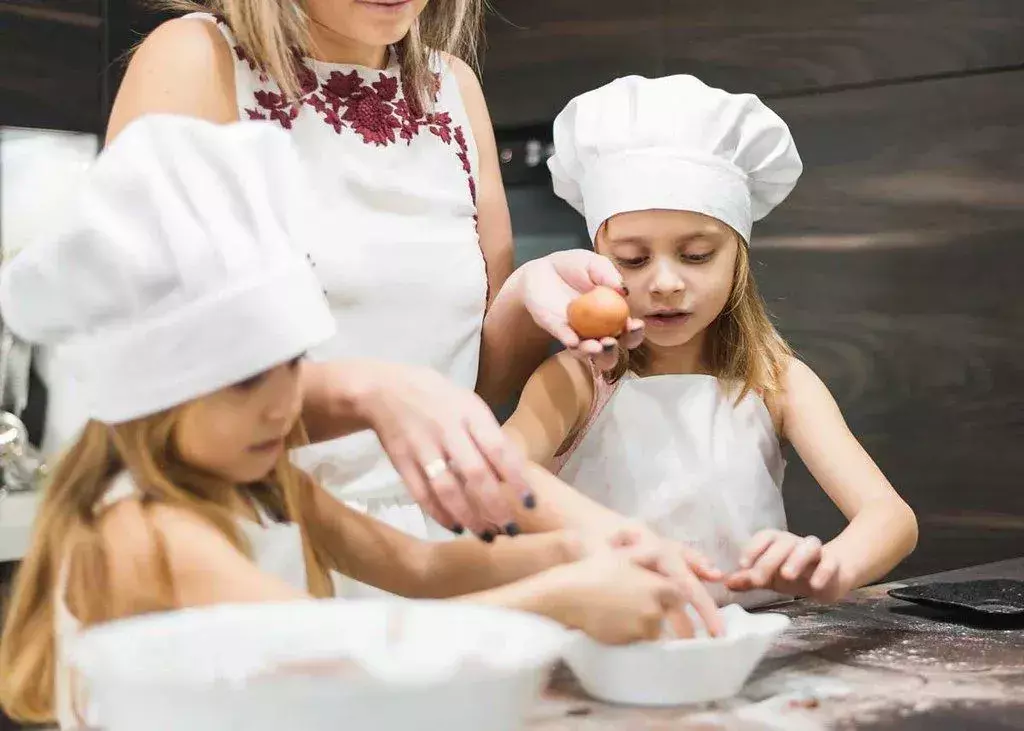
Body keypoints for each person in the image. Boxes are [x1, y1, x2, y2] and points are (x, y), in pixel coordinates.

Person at [0, 116, 696, 729]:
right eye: (246, 381)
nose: (285, 403)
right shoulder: (148, 528)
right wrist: (561, 601)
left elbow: (422, 564)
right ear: (151, 401)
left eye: (291, 365)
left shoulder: (264, 483)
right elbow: (337, 648)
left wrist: (578, 553)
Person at [78, 0, 644, 543]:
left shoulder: (452, 87)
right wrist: (366, 392)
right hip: (250, 528)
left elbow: (470, 388)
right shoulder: (198, 57)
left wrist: (526, 297)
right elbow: (151, 379)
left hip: (431, 536)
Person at [502, 75, 919, 608]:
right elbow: (500, 473)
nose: (666, 282)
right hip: (608, 640)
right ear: (596, 255)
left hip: (755, 647)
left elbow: (890, 517)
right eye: (633, 258)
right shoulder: (579, 380)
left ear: (737, 259)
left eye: (696, 255)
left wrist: (831, 568)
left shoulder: (775, 380)